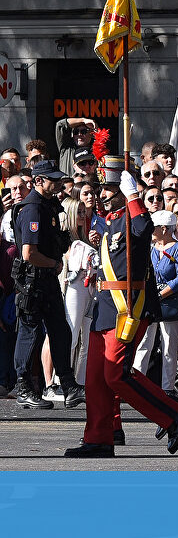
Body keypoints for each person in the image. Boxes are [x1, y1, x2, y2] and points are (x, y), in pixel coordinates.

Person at [65, 156, 178, 458]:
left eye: (108, 188)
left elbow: (145, 228)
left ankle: (171, 413)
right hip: (104, 306)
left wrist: (135, 194)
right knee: (95, 380)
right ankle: (99, 438)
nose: (101, 194)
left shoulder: (133, 216)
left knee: (115, 375)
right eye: (101, 187)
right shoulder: (108, 221)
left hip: (128, 307)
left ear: (121, 189)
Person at [11, 160, 85, 409]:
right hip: (33, 281)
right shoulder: (32, 208)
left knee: (60, 331)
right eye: (52, 180)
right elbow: (29, 253)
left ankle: (67, 383)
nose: (57, 184)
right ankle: (22, 386)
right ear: (39, 181)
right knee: (29, 333)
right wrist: (53, 263)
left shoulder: (48, 206)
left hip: (47, 280)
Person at [132, 210, 178, 396]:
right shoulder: (149, 248)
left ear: (164, 228)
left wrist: (160, 294)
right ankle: (136, 385)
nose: (151, 230)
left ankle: (167, 389)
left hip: (169, 304)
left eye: (154, 227)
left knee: (169, 347)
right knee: (143, 344)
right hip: (150, 302)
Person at [61, 197, 99, 386]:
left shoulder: (84, 238)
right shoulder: (64, 238)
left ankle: (81, 382)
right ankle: (64, 382)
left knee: (87, 339)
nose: (83, 215)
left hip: (89, 287)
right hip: (73, 287)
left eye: (84, 211)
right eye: (79, 212)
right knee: (72, 334)